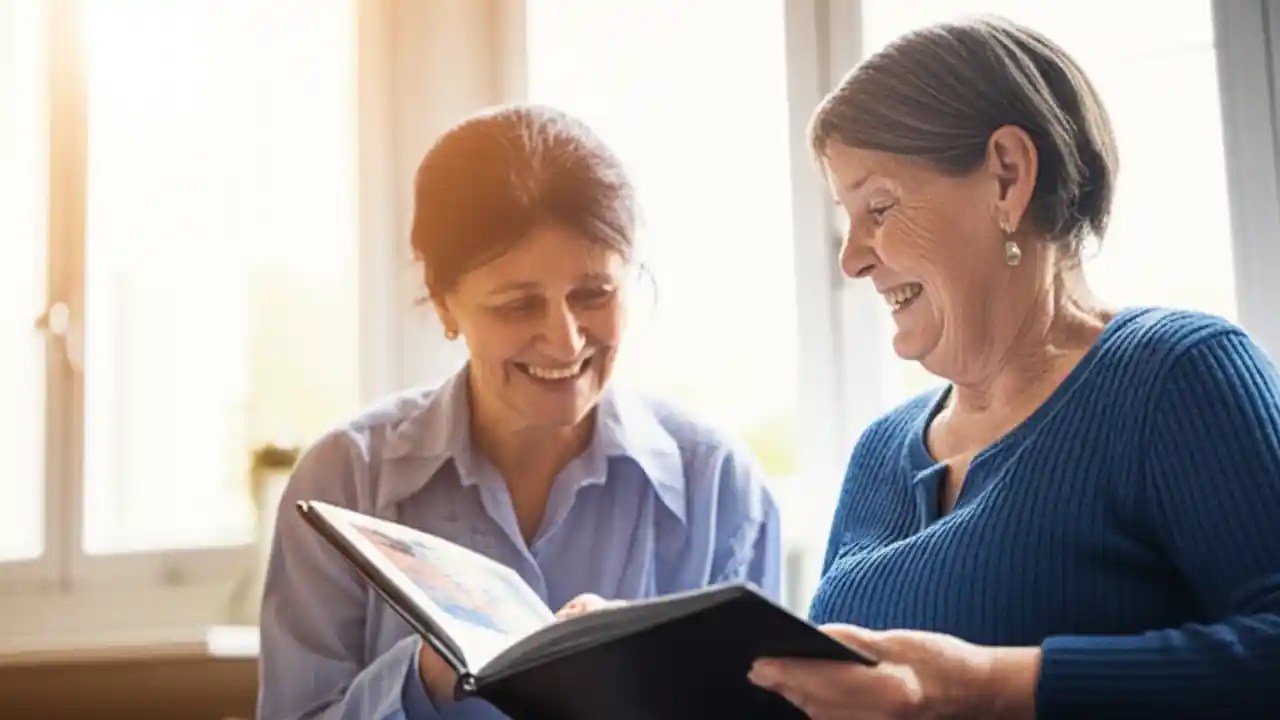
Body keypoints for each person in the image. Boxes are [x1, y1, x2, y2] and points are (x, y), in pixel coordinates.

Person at [740, 15, 1280, 719]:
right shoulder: (879, 452)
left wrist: (985, 685)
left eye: (878, 206)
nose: (852, 259)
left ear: (1007, 177)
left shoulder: (1177, 375)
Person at [256, 104, 781, 720]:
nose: (564, 341)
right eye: (517, 306)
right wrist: (424, 678)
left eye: (594, 295)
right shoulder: (344, 480)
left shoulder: (717, 487)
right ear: (446, 304)